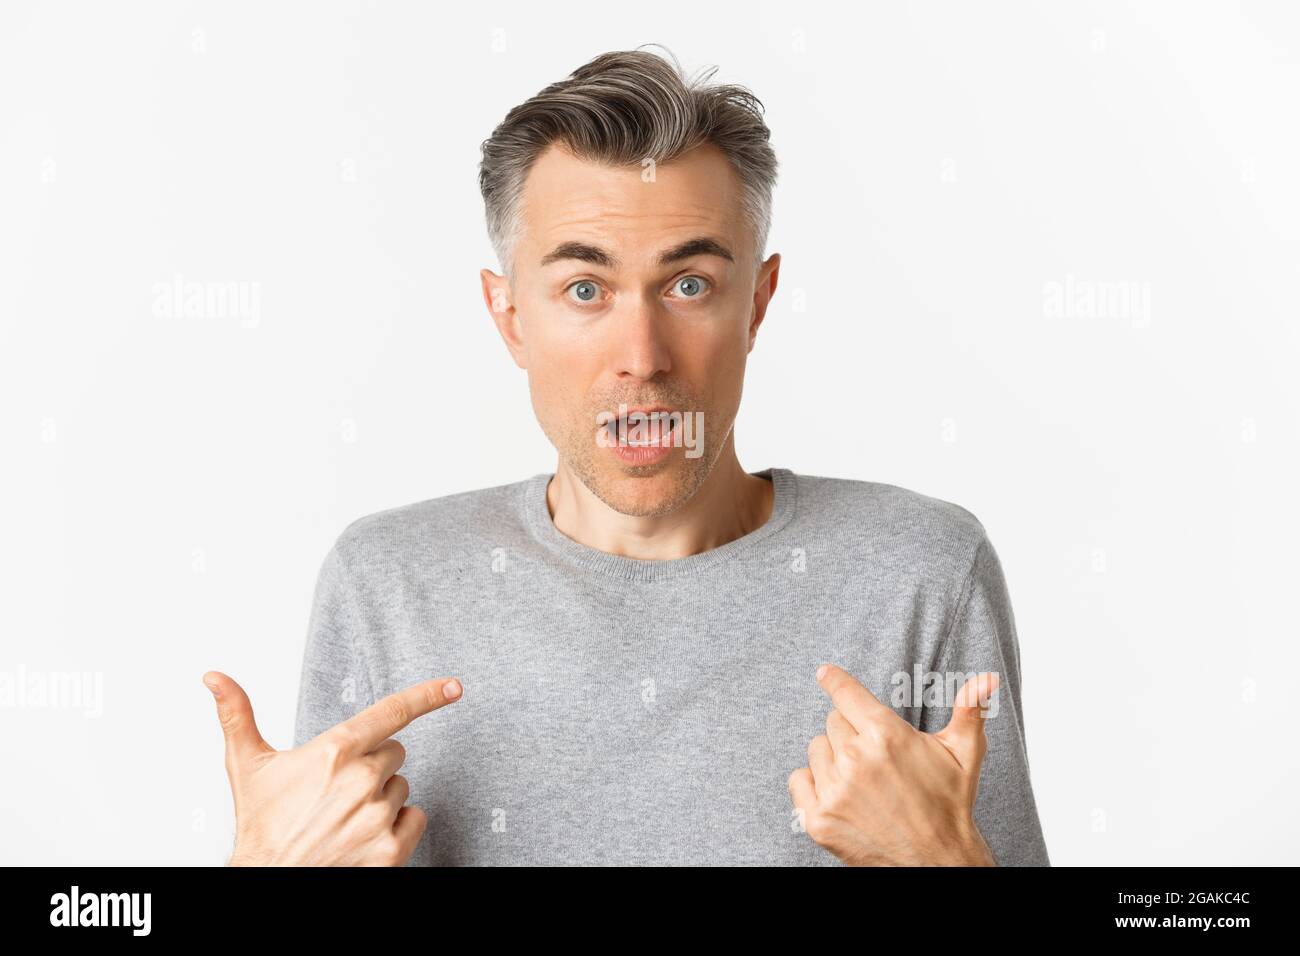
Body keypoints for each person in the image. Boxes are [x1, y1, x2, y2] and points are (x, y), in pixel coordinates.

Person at [203, 45, 1050, 866]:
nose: (642, 355)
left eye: (689, 285)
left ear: (755, 304)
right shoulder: (385, 581)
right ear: (509, 319)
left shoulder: (922, 571)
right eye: (584, 289)